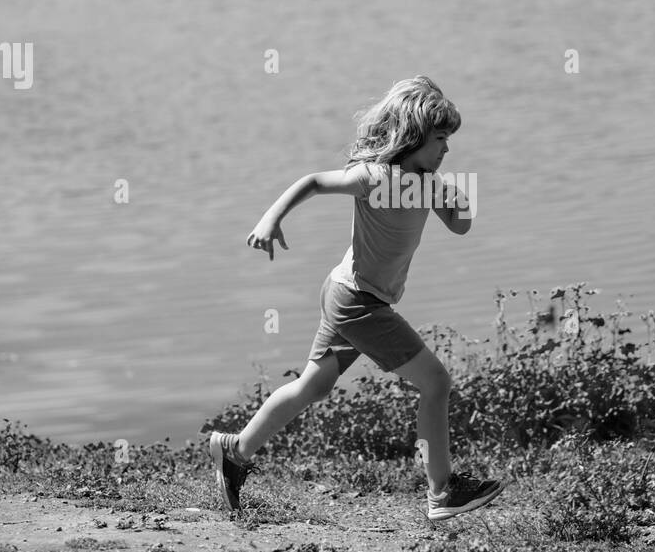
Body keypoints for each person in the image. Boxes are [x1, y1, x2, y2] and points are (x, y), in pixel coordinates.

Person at [202, 75, 502, 521]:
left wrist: (454, 197)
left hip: (347, 291)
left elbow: (461, 226)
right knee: (436, 383)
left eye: (449, 140)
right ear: (414, 136)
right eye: (440, 139)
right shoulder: (375, 176)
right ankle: (441, 492)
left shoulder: (425, 183)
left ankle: (235, 450)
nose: (446, 150)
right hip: (358, 301)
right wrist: (270, 219)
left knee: (313, 386)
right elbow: (314, 182)